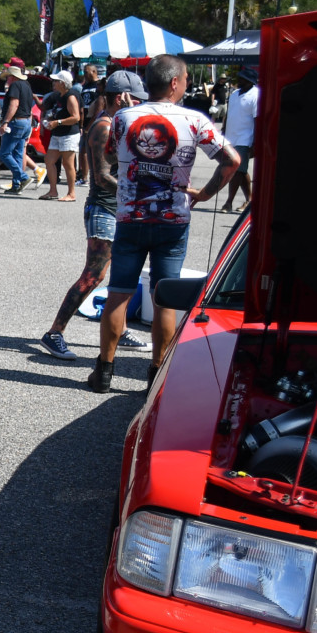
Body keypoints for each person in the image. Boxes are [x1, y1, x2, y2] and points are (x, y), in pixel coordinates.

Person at [87, 54, 240, 393]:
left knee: (118, 293)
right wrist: (204, 193)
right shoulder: (195, 119)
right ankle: (156, 375)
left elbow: (111, 156)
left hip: (129, 217)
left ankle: (104, 372)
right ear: (174, 83)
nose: (186, 85)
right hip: (173, 221)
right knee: (164, 298)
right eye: (185, 80)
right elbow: (232, 159)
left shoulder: (124, 117)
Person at [40, 70, 150, 359]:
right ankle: (54, 333)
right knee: (93, 276)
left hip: (120, 209)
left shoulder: (121, 124)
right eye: (137, 100)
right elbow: (101, 177)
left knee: (123, 277)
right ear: (121, 98)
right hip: (104, 209)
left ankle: (120, 329)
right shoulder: (104, 126)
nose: (140, 105)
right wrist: (138, 192)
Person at [38, 70, 83, 201]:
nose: (53, 83)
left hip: (69, 134)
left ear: (63, 83)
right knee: (49, 160)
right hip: (58, 133)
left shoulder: (71, 96)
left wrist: (58, 122)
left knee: (68, 164)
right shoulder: (59, 95)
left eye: (56, 81)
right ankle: (53, 191)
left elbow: (76, 117)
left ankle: (71, 193)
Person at [221, 65, 259, 212]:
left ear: (250, 81)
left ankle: (228, 202)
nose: (239, 81)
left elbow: (257, 119)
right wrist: (223, 130)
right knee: (241, 170)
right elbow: (228, 115)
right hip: (231, 138)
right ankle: (250, 200)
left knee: (236, 170)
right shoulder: (235, 94)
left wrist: (255, 142)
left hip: (245, 139)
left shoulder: (256, 95)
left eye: (243, 79)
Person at [0, 65, 36, 194]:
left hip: (16, 122)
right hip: (25, 122)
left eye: (7, 76)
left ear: (12, 77)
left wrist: (5, 122)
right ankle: (16, 185)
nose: (6, 79)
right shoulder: (27, 86)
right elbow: (29, 107)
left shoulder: (15, 86)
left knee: (4, 153)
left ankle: (23, 177)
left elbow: (14, 104)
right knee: (18, 154)